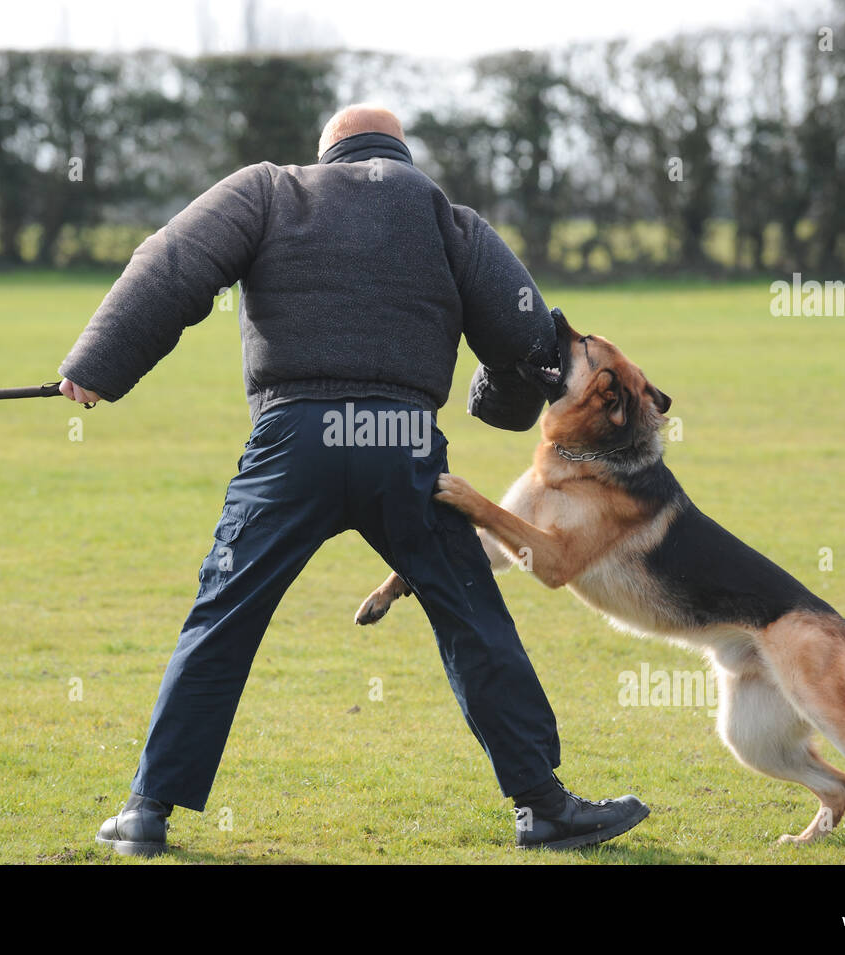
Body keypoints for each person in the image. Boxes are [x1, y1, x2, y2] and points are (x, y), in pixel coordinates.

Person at [58, 105, 649, 855]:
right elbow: (529, 336)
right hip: (401, 444)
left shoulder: (268, 190)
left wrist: (96, 366)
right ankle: (543, 804)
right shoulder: (445, 215)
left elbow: (172, 263)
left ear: (326, 152)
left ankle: (147, 810)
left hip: (292, 442)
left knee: (223, 617)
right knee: (472, 616)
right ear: (399, 154)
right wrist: (491, 401)